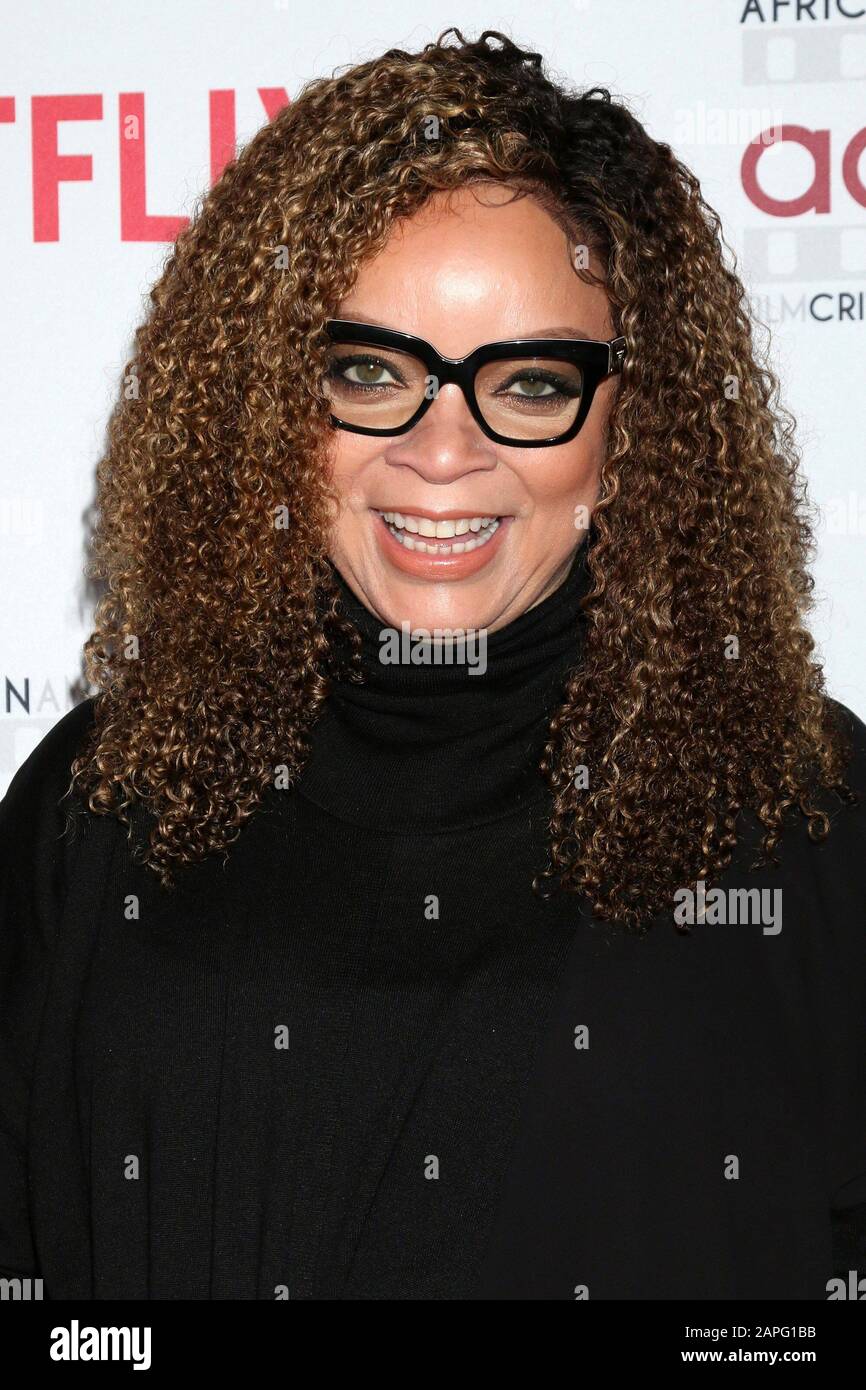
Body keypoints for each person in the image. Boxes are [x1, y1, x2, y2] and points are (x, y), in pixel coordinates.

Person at [1, 27, 864, 1301]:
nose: (440, 450)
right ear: (269, 402)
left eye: (526, 383)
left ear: (630, 430)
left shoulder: (803, 808)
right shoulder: (101, 803)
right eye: (368, 370)